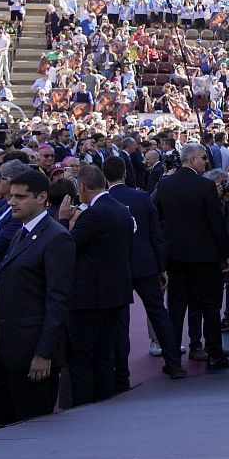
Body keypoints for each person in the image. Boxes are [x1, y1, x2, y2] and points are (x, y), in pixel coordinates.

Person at [0, 171, 75, 426]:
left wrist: (44, 353)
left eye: (20, 197)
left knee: (32, 427)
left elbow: (58, 301)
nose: (12, 201)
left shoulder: (56, 237)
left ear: (42, 197)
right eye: (11, 195)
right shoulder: (22, 232)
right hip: (9, 349)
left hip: (35, 355)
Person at [156, 142, 229, 372]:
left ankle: (172, 362)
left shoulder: (165, 184)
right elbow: (216, 222)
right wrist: (225, 254)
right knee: (210, 306)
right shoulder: (205, 186)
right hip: (204, 257)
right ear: (191, 160)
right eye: (202, 158)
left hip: (175, 256)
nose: (206, 162)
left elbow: (160, 218)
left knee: (176, 309)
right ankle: (215, 355)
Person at [67, 165, 134, 404]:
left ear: (82, 187)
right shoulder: (120, 208)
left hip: (91, 297)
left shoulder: (94, 214)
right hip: (116, 292)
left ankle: (85, 406)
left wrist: (65, 220)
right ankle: (104, 401)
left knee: (83, 357)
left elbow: (67, 246)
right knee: (104, 354)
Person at [106, 156, 170, 386]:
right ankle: (173, 361)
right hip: (145, 264)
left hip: (117, 267)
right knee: (158, 312)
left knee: (120, 320)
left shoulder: (103, 201)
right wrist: (161, 267)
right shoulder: (142, 197)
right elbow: (156, 237)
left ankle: (121, 374)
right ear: (124, 173)